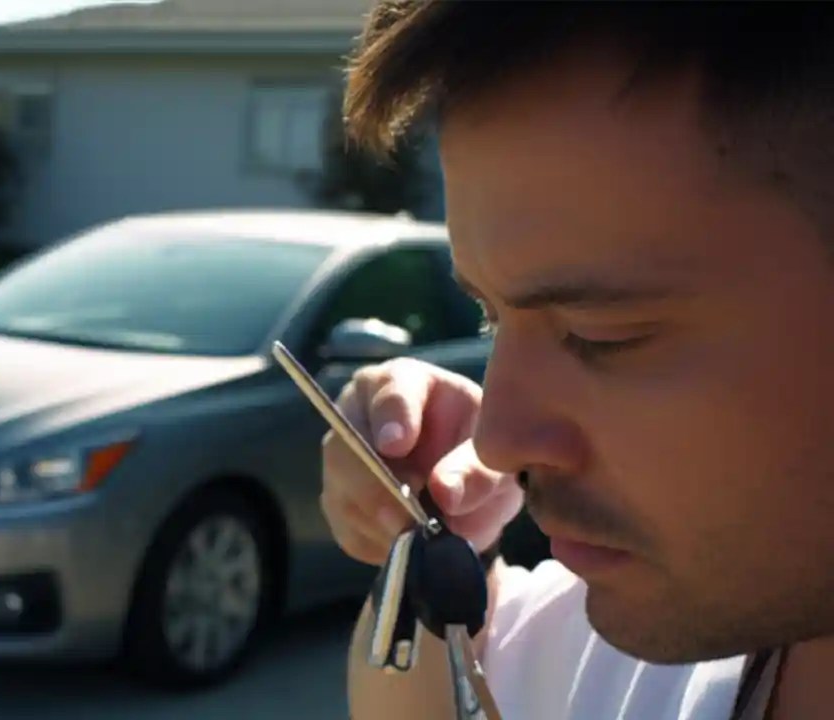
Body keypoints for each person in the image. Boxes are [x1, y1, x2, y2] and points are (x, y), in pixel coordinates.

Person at [321, 3, 834, 719]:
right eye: (490, 316)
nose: (496, 441)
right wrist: (432, 546)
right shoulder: (632, 653)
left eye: (605, 333)